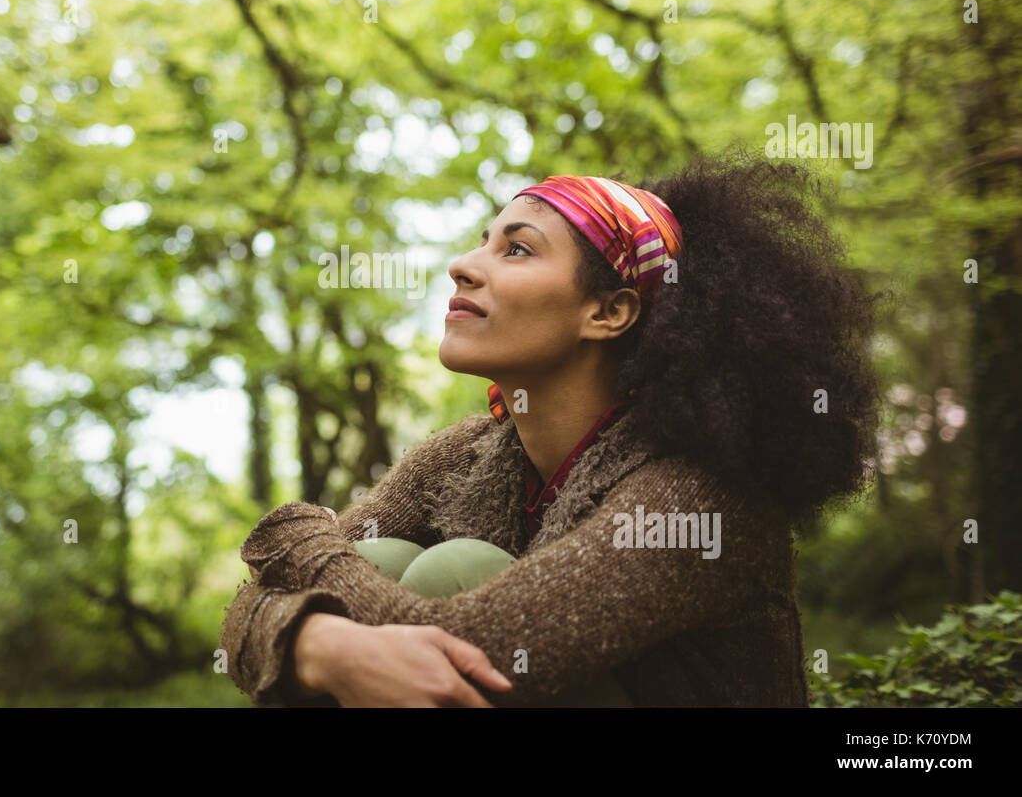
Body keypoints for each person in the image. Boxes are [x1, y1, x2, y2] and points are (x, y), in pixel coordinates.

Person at [220, 149, 888, 707]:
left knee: (453, 569)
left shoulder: (697, 496)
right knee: (378, 562)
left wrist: (309, 610)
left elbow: (471, 649)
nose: (463, 264)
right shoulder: (470, 455)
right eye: (483, 241)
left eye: (517, 250)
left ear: (608, 312)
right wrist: (313, 634)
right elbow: (242, 614)